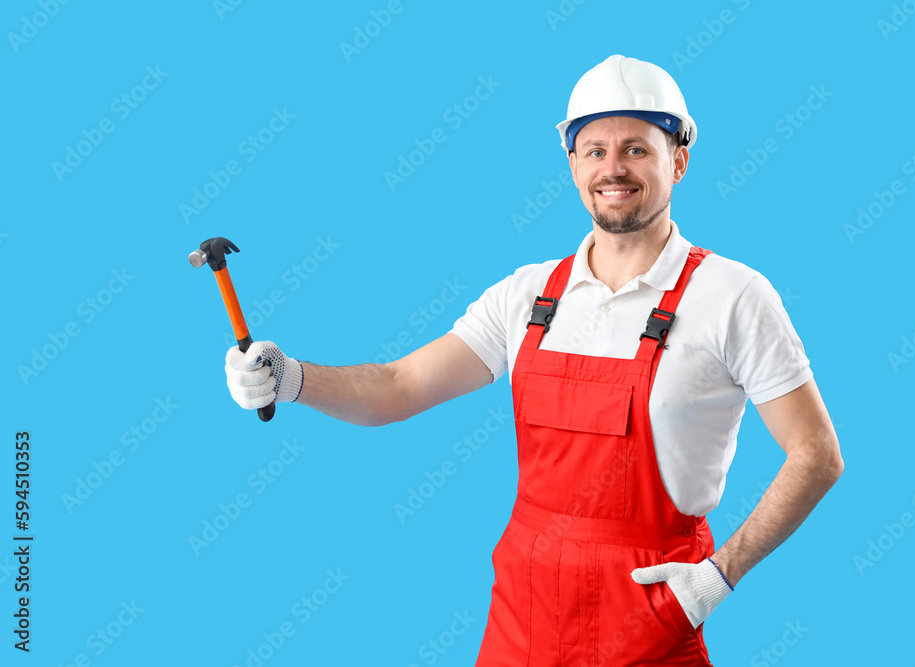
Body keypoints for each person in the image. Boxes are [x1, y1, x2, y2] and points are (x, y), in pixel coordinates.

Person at [224, 54, 844, 666]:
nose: (613, 168)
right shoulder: (528, 296)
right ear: (572, 163)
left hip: (649, 621)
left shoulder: (731, 295)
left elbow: (816, 454)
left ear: (678, 158)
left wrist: (717, 576)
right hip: (524, 619)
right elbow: (399, 386)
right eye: (594, 149)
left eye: (637, 148)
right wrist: (293, 378)